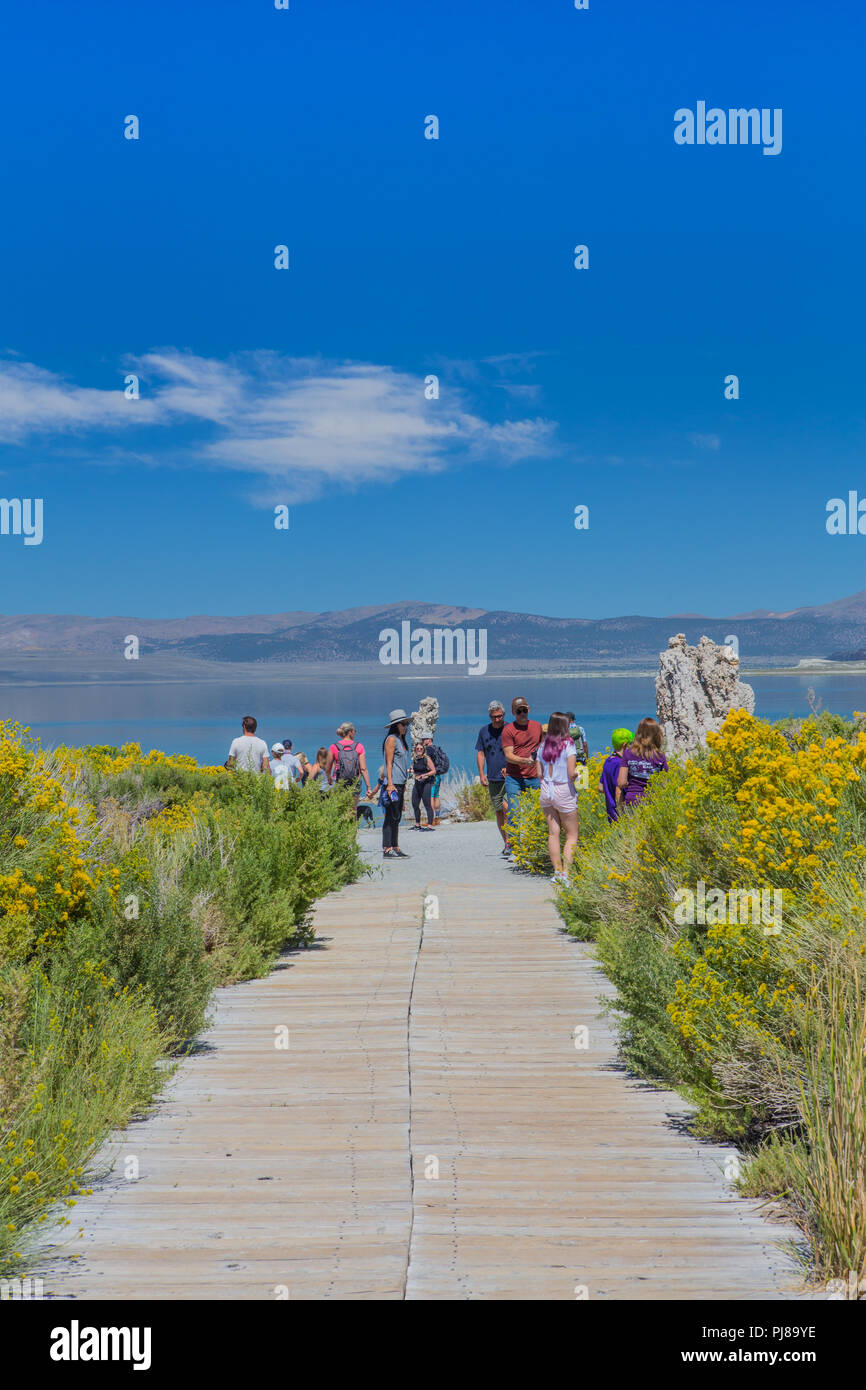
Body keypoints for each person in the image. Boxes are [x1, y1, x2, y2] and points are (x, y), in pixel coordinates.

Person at [536, 711, 579, 883]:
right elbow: (571, 773)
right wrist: (578, 774)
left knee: (553, 833)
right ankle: (566, 874)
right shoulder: (568, 744)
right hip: (563, 789)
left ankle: (557, 873)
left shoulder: (542, 746)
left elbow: (539, 773)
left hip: (547, 789)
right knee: (571, 835)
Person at [502, 696, 542, 840]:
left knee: (538, 812)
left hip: (535, 777)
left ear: (528, 709)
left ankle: (537, 843)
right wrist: (525, 761)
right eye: (519, 711)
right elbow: (508, 755)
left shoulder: (537, 726)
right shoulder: (508, 730)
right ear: (513, 712)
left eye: (524, 710)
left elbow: (543, 748)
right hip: (514, 778)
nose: (522, 713)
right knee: (514, 812)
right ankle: (513, 846)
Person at [475, 700, 510, 855]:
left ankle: (513, 842)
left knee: (508, 809)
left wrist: (511, 767)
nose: (497, 719)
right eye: (494, 717)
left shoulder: (510, 729)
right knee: (498, 811)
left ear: (504, 714)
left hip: (510, 777)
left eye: (499, 716)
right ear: (490, 716)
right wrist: (482, 774)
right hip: (493, 777)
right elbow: (481, 753)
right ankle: (507, 844)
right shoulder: (484, 731)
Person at [617, 717, 669, 807]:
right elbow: (665, 784)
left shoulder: (628, 753)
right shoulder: (660, 756)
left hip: (632, 801)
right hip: (653, 801)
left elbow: (621, 782)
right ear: (657, 735)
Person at [381, 710, 410, 858]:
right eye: (403, 724)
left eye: (406, 724)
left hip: (401, 783)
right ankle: (387, 848)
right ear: (396, 725)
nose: (406, 727)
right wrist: (390, 784)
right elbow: (389, 763)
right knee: (390, 816)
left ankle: (395, 846)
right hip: (393, 783)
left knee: (397, 816)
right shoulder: (391, 740)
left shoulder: (402, 740)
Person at [326, 722, 375, 809]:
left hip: (339, 781)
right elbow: (363, 769)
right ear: (350, 732)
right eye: (354, 731)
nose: (355, 733)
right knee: (353, 809)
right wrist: (368, 787)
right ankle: (353, 822)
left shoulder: (334, 747)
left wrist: (329, 778)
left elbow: (328, 768)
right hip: (355, 782)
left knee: (340, 809)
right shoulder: (359, 746)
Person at [599, 727, 633, 823]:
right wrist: (623, 815)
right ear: (625, 745)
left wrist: (610, 793)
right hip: (620, 815)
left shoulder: (608, 761)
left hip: (611, 812)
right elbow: (619, 792)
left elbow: (600, 788)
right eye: (630, 744)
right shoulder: (619, 763)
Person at [410, 740, 437, 829]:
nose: (419, 750)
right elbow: (417, 769)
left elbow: (433, 771)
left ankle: (429, 825)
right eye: (417, 748)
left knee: (427, 804)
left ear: (423, 750)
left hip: (426, 784)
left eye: (421, 749)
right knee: (414, 803)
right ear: (415, 750)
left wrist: (425, 775)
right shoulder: (415, 759)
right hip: (417, 783)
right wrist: (411, 771)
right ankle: (417, 824)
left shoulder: (427, 759)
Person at [424, 735, 449, 825]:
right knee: (436, 796)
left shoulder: (428, 750)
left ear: (429, 739)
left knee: (430, 796)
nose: (423, 741)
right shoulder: (437, 748)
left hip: (432, 776)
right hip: (438, 775)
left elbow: (427, 763)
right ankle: (437, 818)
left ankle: (431, 820)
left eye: (424, 739)